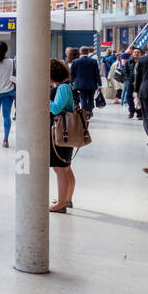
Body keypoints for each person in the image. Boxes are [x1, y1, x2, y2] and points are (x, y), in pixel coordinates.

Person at [48, 58, 77, 213]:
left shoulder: (63, 88)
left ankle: (61, 203)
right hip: (63, 132)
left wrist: (43, 98)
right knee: (65, 168)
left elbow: (56, 109)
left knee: (60, 168)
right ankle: (66, 199)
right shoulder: (64, 86)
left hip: (60, 132)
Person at [70, 46, 101, 115]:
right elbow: (97, 74)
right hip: (92, 84)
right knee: (91, 98)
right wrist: (100, 84)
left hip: (80, 84)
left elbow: (72, 74)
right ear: (88, 52)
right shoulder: (93, 61)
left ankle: (85, 112)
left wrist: (72, 82)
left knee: (83, 98)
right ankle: (89, 111)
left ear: (80, 52)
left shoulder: (75, 61)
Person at [123, 47, 142, 117]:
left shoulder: (143, 62)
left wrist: (137, 81)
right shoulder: (129, 61)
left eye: (138, 52)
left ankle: (139, 113)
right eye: (135, 52)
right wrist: (130, 80)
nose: (136, 53)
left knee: (139, 98)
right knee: (128, 97)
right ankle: (131, 111)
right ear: (132, 53)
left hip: (140, 83)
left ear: (141, 54)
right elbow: (125, 71)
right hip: (130, 82)